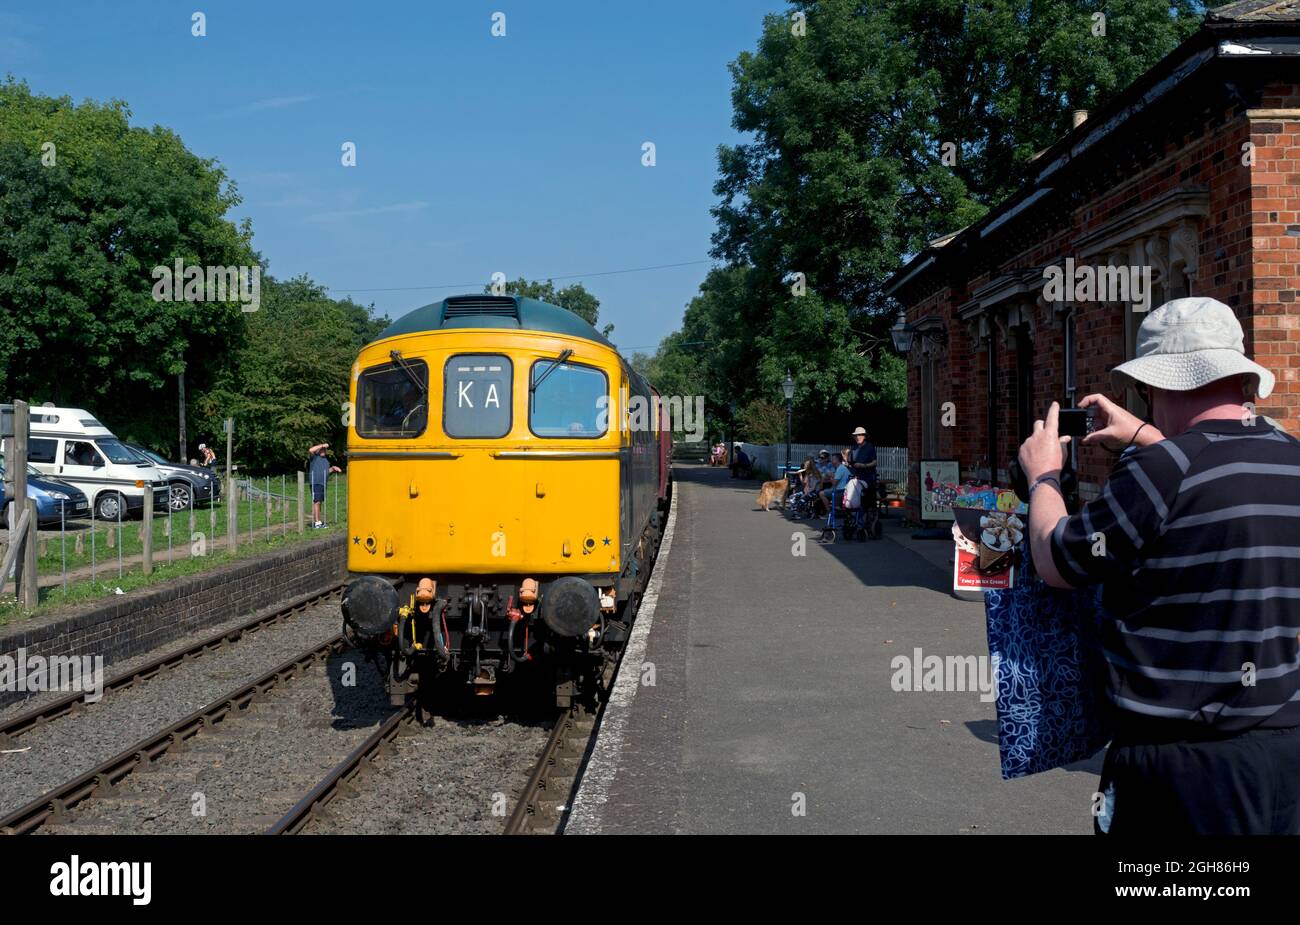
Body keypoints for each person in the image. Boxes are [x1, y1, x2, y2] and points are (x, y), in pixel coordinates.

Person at [1017, 296, 1300, 835]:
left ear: (1159, 385)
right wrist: (1149, 438)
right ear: (1239, 377)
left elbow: (1056, 559)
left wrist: (1043, 477)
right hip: (1283, 749)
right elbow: (1215, 486)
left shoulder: (1163, 469)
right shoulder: (1290, 458)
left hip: (1179, 760)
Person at [307, 442, 343, 528]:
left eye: (324, 449)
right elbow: (310, 450)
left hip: (323, 483)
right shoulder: (314, 457)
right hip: (315, 482)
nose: (323, 450)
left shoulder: (326, 461)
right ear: (318, 450)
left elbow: (327, 471)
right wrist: (322, 445)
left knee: (320, 502)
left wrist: (333, 468)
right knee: (317, 502)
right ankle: (317, 523)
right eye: (322, 449)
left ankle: (319, 521)